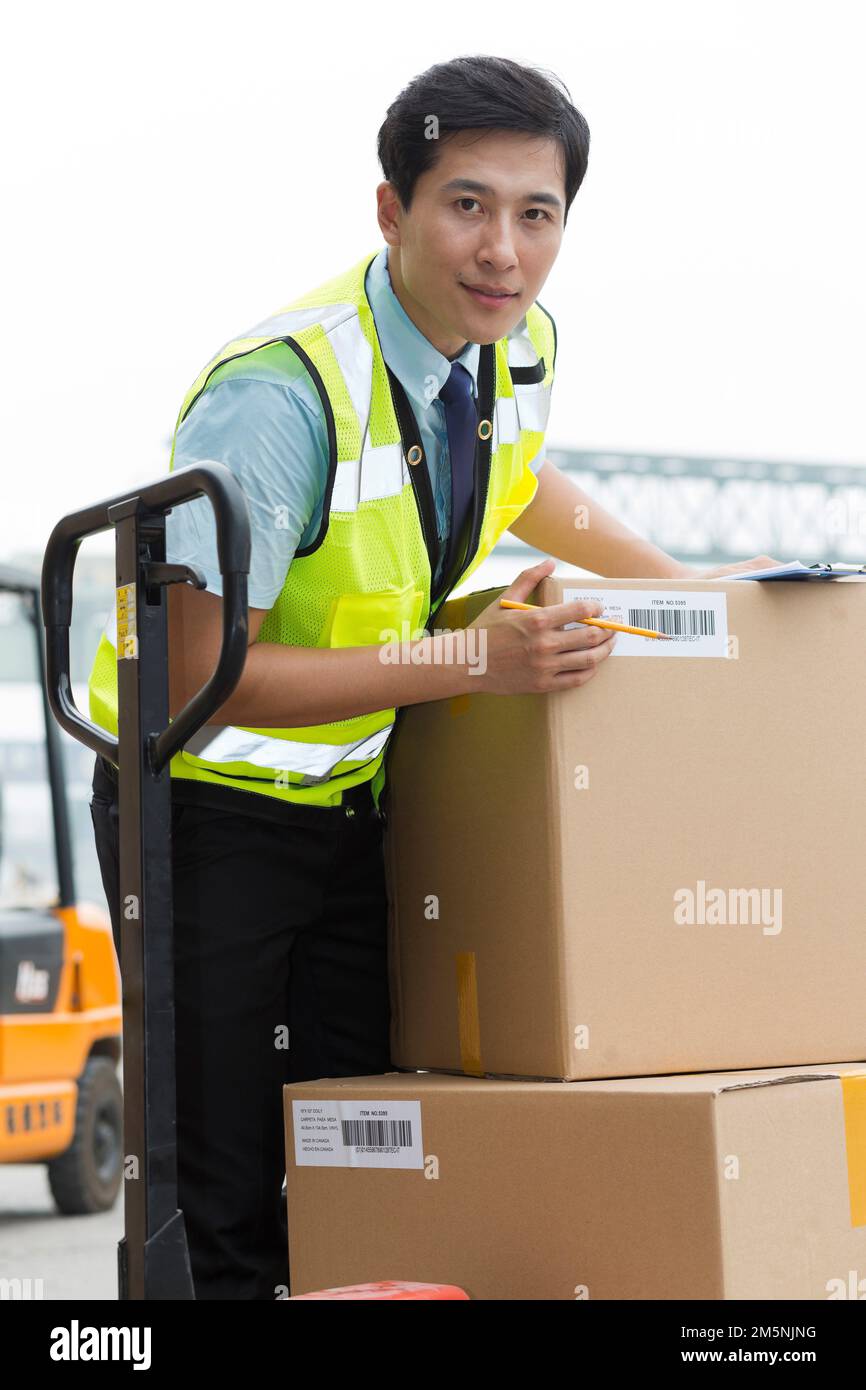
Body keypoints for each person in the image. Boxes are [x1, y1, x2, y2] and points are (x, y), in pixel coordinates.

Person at [87, 53, 777, 1300]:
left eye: (536, 213)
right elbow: (196, 674)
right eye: (466, 204)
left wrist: (692, 587)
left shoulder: (512, 342)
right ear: (389, 210)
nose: (501, 249)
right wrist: (470, 660)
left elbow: (521, 479)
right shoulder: (279, 396)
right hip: (201, 806)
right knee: (225, 1184)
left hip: (351, 801)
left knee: (363, 1156)